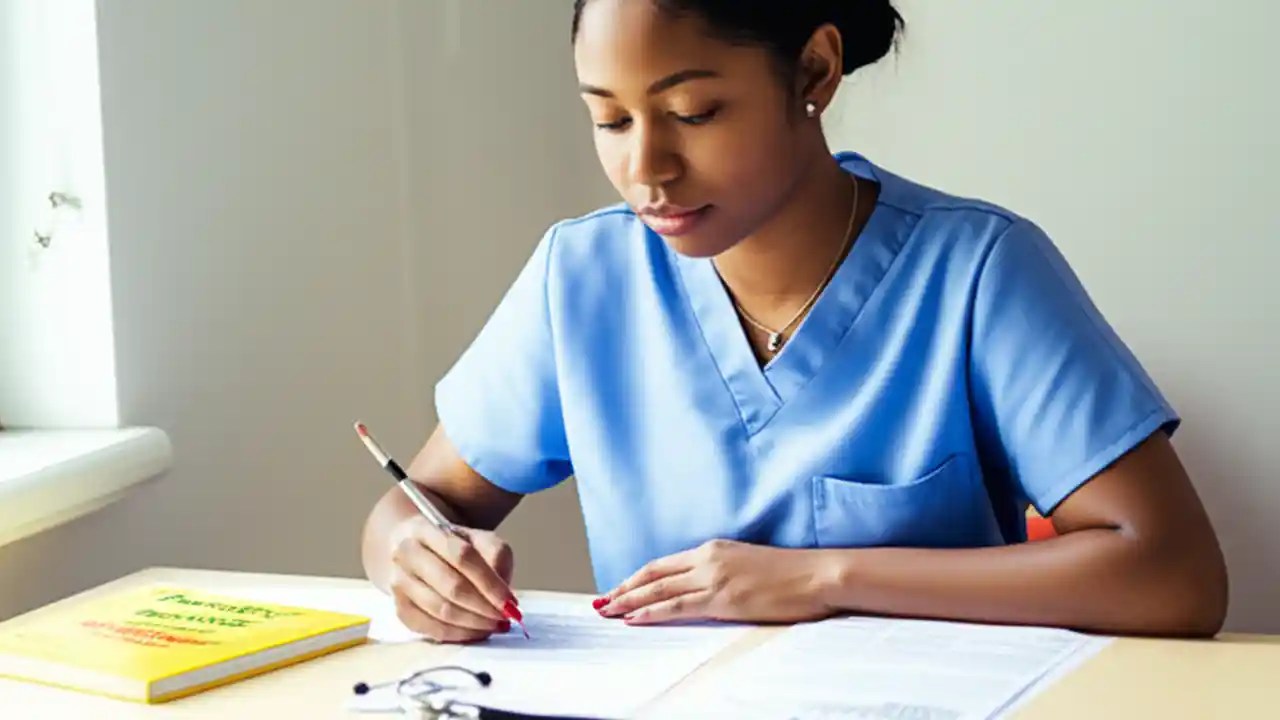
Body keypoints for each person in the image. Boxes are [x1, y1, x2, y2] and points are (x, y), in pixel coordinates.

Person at [360, 0, 1228, 644]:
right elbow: (419, 503)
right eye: (610, 119)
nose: (645, 168)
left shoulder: (976, 272)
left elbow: (1174, 575)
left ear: (813, 72)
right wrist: (413, 558)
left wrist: (820, 578)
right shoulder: (581, 279)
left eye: (693, 113)